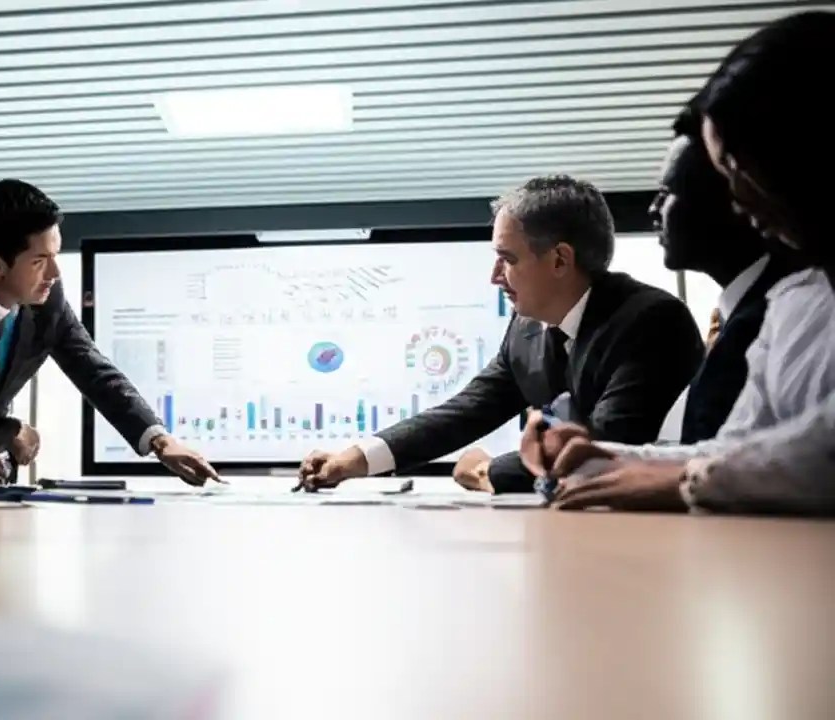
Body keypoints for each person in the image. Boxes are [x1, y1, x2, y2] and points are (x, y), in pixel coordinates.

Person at [523, 10, 835, 515]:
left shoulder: (651, 317)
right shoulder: (794, 300)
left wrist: (689, 478)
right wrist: (603, 459)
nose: (741, 199)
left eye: (738, 170)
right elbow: (738, 450)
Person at [296, 175, 704, 493]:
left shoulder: (652, 322)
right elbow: (471, 408)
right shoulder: (527, 329)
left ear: (560, 260)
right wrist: (356, 458)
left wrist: (488, 470)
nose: (494, 277)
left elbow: (603, 448)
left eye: (506, 259)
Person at [0, 179, 219, 486]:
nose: (54, 273)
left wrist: (160, 440)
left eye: (56, 255)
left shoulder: (46, 299)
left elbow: (93, 368)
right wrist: (12, 432)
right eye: (40, 261)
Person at [651, 107, 802, 444]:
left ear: (732, 196)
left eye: (668, 193)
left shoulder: (786, 308)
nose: (653, 210)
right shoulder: (740, 312)